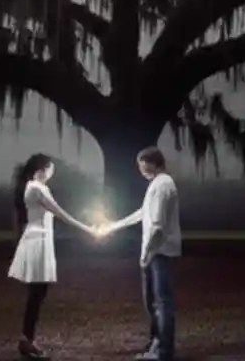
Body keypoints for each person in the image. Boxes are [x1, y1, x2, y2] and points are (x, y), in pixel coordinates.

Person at [95, 147, 181, 361]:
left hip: (158, 253)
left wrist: (147, 254)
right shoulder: (157, 185)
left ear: (154, 163)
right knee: (154, 302)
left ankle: (163, 352)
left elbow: (158, 226)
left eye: (143, 164)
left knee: (161, 303)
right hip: (156, 252)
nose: (141, 169)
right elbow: (142, 214)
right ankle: (156, 346)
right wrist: (113, 226)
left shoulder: (163, 185)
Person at [8, 153, 95, 360]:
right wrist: (87, 229)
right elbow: (59, 213)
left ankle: (27, 339)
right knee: (37, 293)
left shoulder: (32, 187)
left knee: (38, 293)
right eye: (51, 169)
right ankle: (27, 340)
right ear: (43, 169)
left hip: (38, 239)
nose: (52, 174)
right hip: (38, 241)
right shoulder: (37, 188)